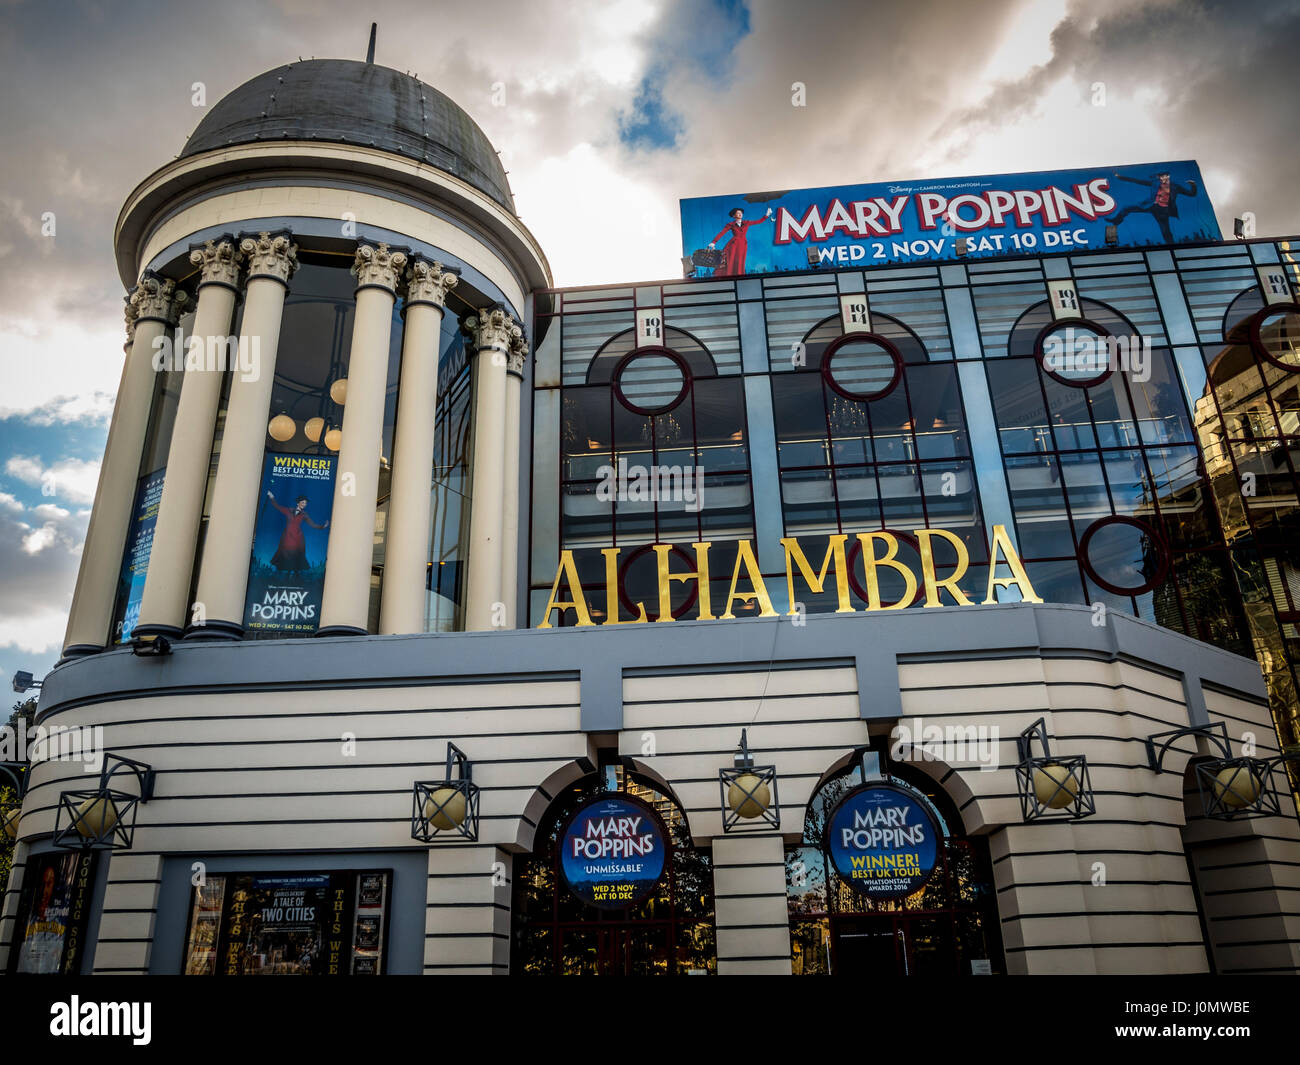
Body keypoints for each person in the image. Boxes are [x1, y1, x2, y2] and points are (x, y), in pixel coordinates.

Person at [1105, 170, 1198, 245]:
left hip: (1163, 211)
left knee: (1165, 231)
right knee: (1127, 207)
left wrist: (1193, 185)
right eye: (1160, 177)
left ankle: (1171, 246)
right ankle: (1116, 221)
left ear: (1168, 176)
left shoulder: (1176, 187)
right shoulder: (1155, 184)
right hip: (1151, 205)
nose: (1162, 178)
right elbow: (1137, 181)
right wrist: (1120, 177)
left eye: (1164, 176)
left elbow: (1192, 194)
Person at [265, 492, 328, 574]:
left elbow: (313, 524)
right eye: (303, 502)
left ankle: (296, 574)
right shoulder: (289, 510)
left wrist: (323, 526)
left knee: (297, 554)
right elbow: (277, 506)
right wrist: (271, 497)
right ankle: (287, 575)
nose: (304, 504)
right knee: (286, 553)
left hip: (297, 538)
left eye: (305, 503)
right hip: (287, 536)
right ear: (298, 503)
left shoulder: (304, 514)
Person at [708, 206, 774, 276]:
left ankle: (739, 275)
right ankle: (728, 274)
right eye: (738, 213)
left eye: (741, 213)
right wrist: (714, 242)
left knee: (740, 261)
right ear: (734, 216)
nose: (740, 214)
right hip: (734, 244)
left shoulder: (746, 222)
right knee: (729, 259)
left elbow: (759, 221)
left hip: (743, 244)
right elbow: (722, 233)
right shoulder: (731, 224)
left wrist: (767, 214)